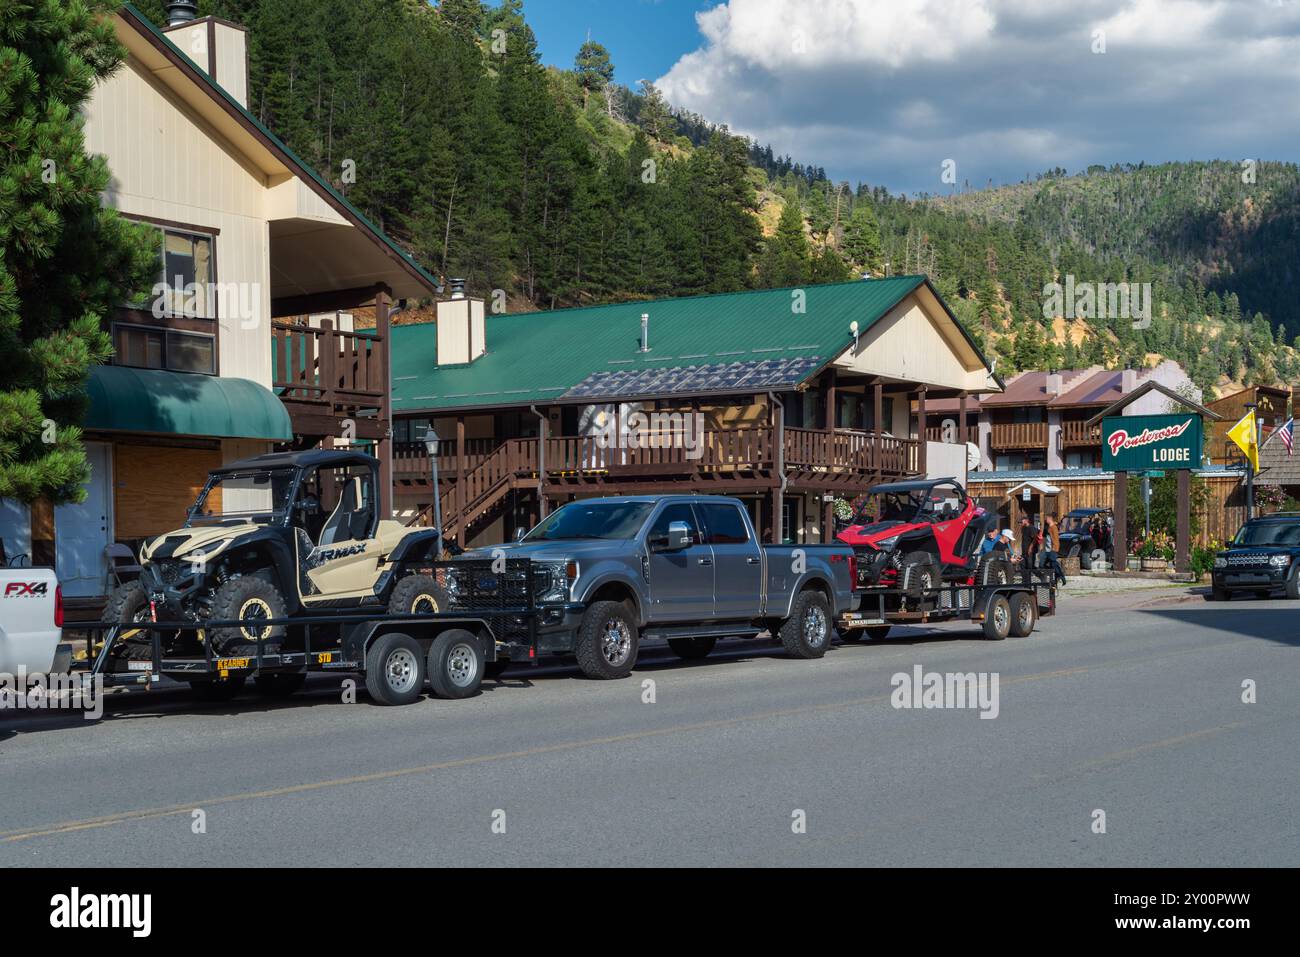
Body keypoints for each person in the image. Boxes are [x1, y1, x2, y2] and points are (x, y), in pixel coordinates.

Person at [1042, 511, 1067, 586]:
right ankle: (1057, 578)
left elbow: (1056, 540)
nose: (1045, 520)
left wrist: (1054, 549)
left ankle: (1060, 577)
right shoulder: (1048, 527)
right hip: (1047, 550)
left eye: (1046, 518)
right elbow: (1046, 538)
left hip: (1052, 550)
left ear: (1050, 519)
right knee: (1043, 565)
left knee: (1054, 564)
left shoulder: (1054, 527)